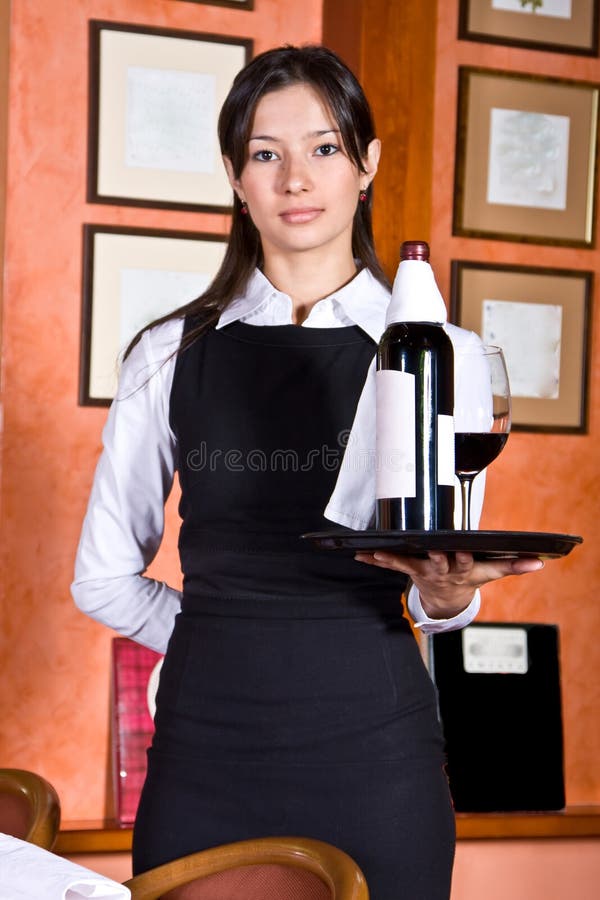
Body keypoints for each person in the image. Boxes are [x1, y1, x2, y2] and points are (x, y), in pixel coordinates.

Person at [72, 45, 543, 899]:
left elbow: (443, 577)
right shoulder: (166, 354)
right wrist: (224, 634)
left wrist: (447, 599)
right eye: (266, 153)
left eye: (325, 149)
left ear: (366, 165)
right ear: (234, 176)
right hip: (202, 764)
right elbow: (100, 578)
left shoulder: (447, 356)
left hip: (377, 762)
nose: (296, 178)